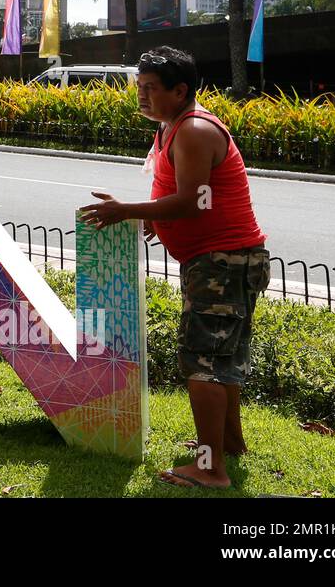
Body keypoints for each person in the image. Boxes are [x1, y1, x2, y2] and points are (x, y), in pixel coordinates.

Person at [80, 47, 267, 491]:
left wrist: (127, 211)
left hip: (223, 262)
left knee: (201, 362)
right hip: (222, 261)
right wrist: (151, 216)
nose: (141, 97)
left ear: (180, 91)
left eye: (150, 89)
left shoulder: (194, 129)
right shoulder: (172, 126)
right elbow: (181, 194)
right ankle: (228, 444)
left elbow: (192, 201)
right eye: (139, 88)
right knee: (220, 359)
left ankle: (210, 467)